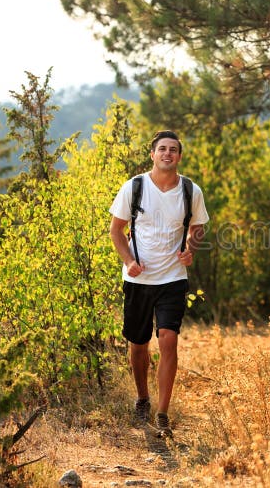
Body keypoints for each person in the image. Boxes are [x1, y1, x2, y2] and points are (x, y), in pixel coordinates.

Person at [109, 130, 209, 436]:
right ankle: (143, 398)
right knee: (138, 346)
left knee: (169, 340)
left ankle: (162, 413)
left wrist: (190, 248)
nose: (167, 153)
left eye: (173, 150)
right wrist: (129, 262)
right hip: (138, 279)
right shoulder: (134, 187)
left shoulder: (191, 190)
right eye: (162, 149)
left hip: (173, 279)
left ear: (179, 156)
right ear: (152, 154)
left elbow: (199, 227)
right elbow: (116, 231)